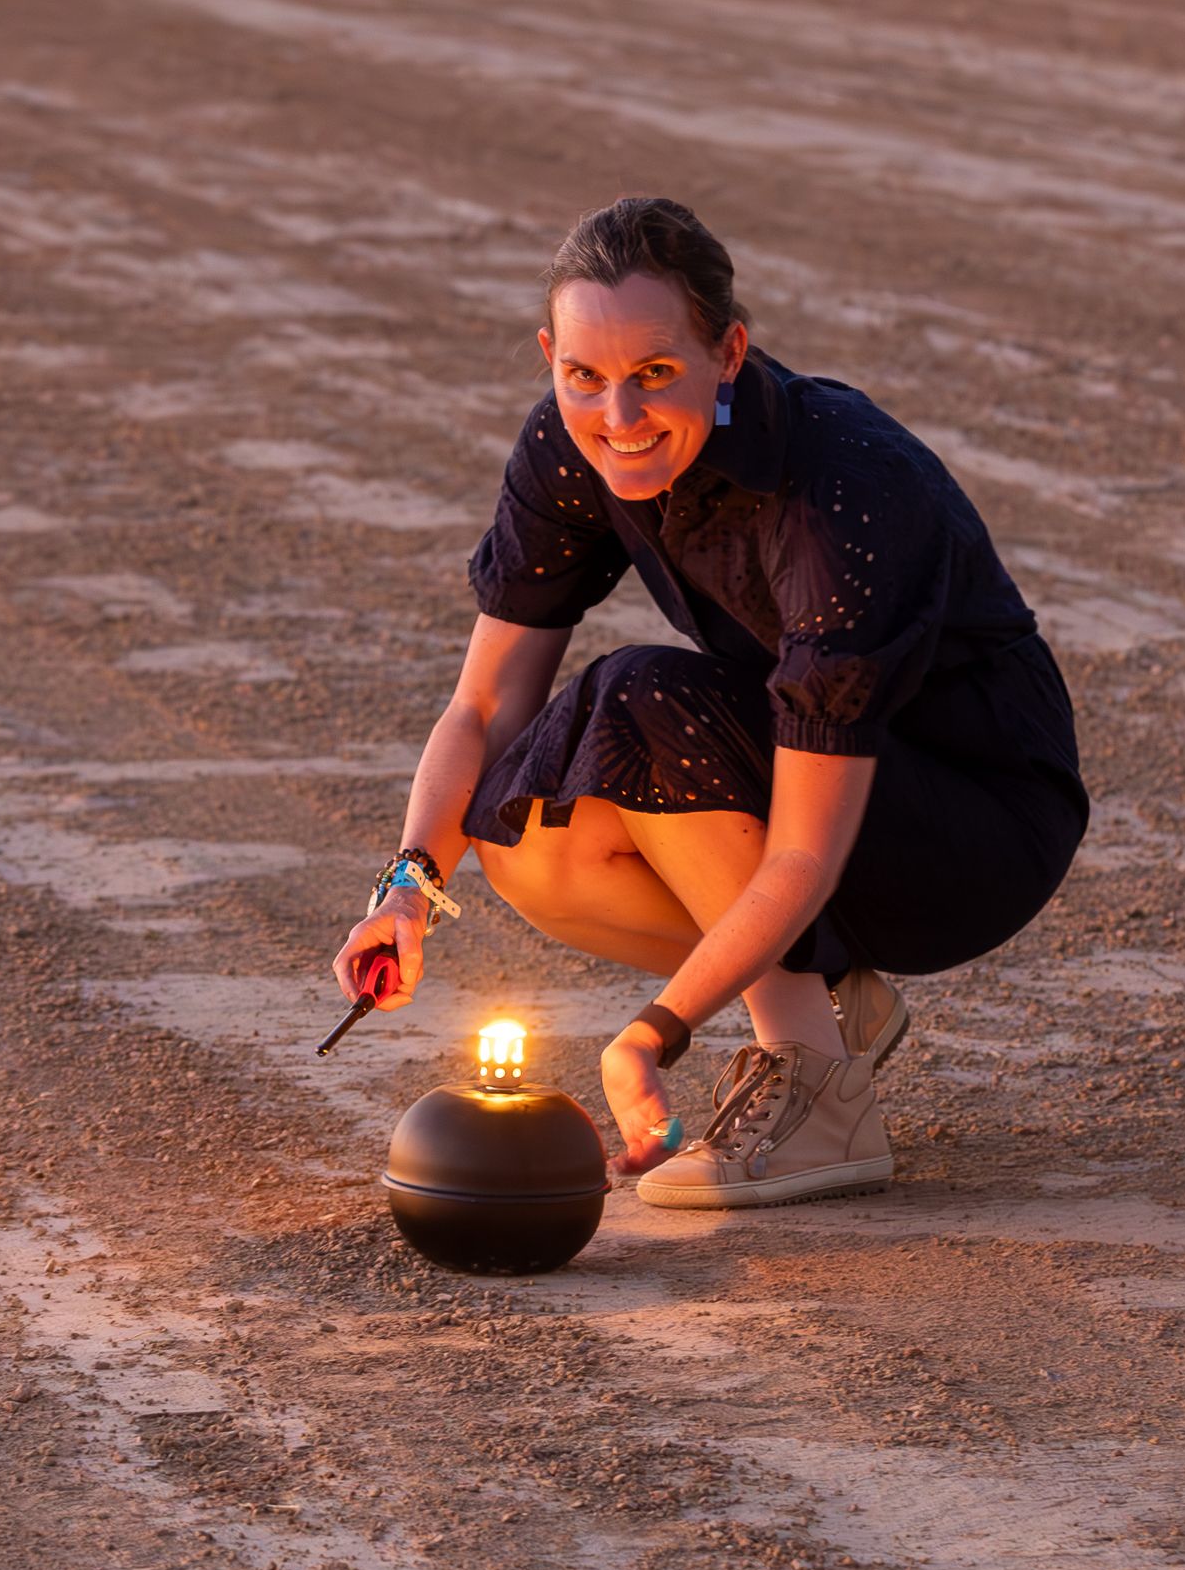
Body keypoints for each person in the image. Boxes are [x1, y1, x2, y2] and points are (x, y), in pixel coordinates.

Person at [332, 197, 1087, 1209]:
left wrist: (653, 1033)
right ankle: (829, 1003)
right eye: (584, 376)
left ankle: (818, 1091)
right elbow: (483, 706)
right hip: (809, 777)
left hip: (972, 823)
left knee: (644, 704)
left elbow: (805, 853)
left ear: (727, 352)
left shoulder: (841, 491)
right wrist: (407, 891)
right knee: (521, 823)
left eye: (654, 373)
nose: (618, 416)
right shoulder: (571, 445)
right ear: (550, 356)